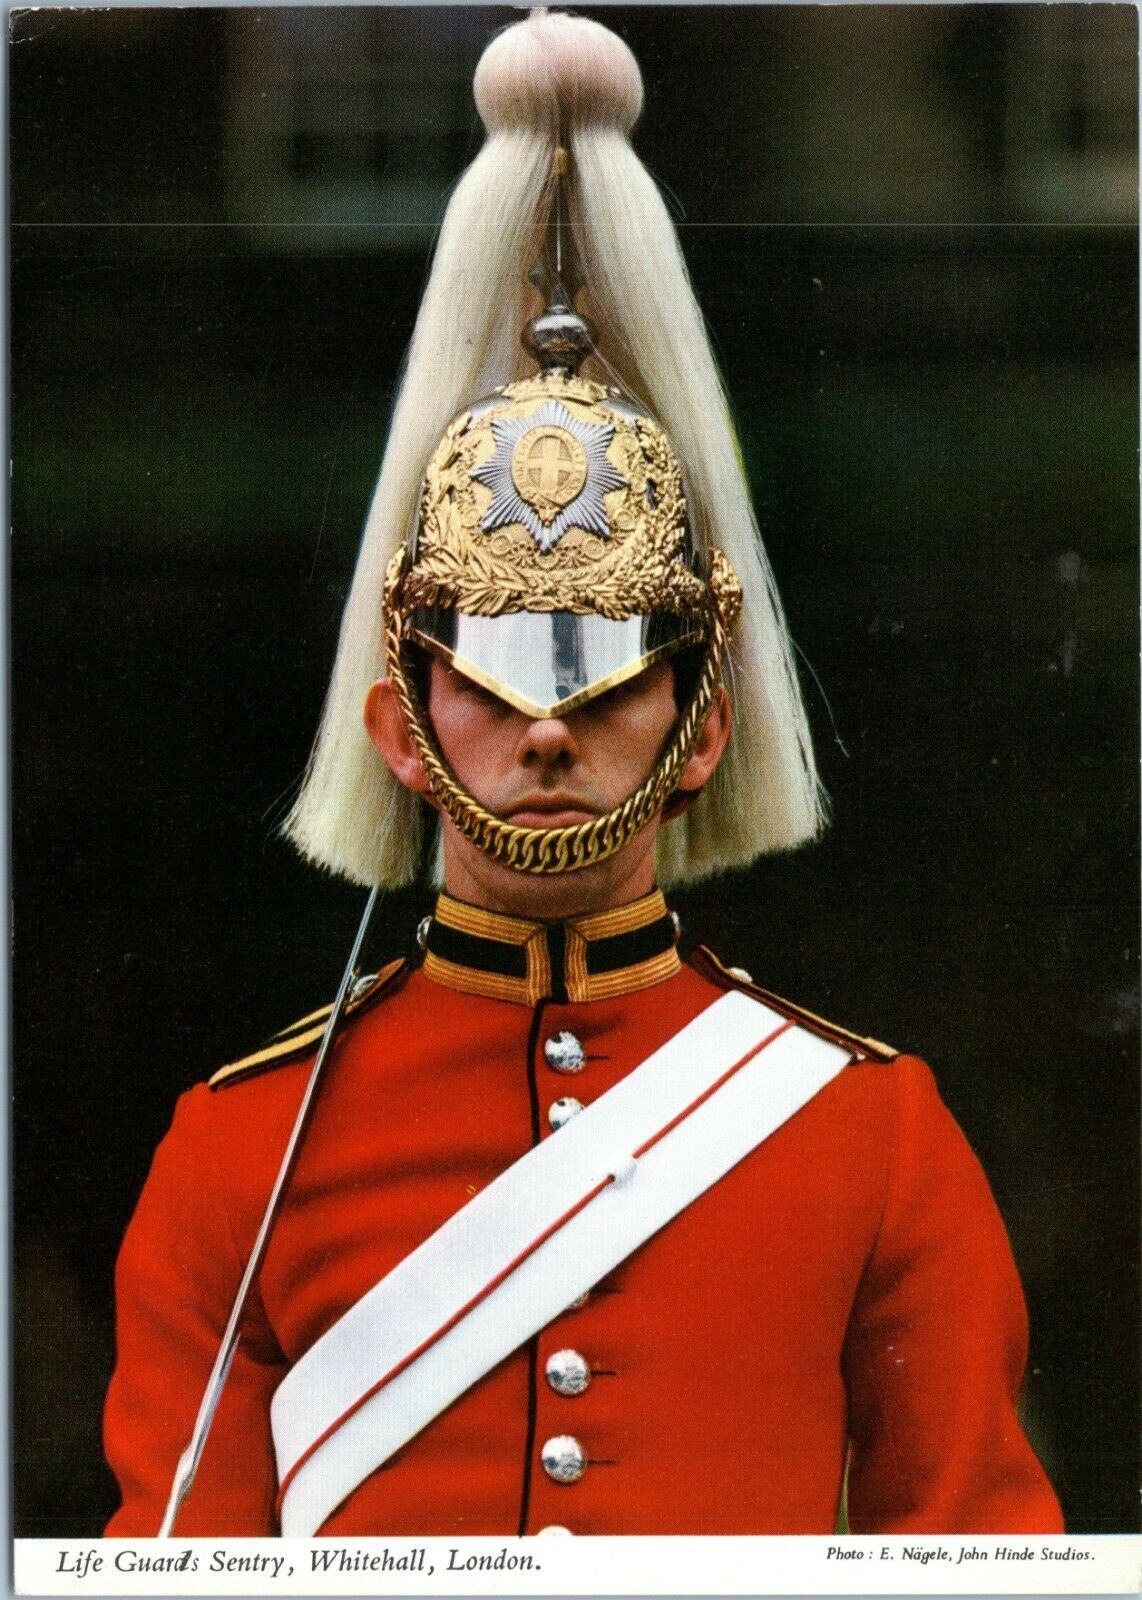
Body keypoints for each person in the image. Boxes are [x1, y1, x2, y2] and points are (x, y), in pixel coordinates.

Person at [104, 12, 1062, 1538]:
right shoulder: (237, 1153)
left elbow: (976, 1552)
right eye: (492, 672)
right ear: (401, 729)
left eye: (606, 669)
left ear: (704, 728)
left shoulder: (870, 1136)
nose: (546, 727)